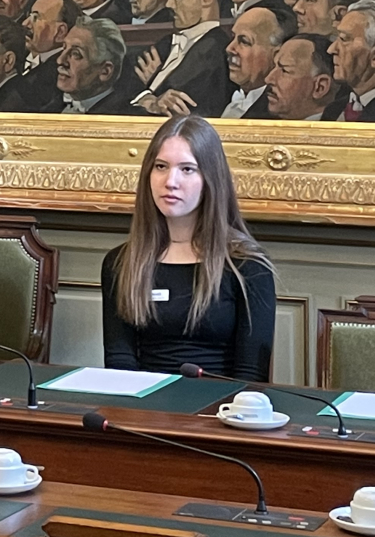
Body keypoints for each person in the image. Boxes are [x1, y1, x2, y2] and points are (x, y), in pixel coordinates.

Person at [101, 114, 276, 379]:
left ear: (210, 179)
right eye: (161, 166)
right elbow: (119, 361)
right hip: (144, 412)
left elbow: (250, 375)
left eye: (187, 169)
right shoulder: (120, 263)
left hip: (221, 412)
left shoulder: (247, 264)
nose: (170, 181)